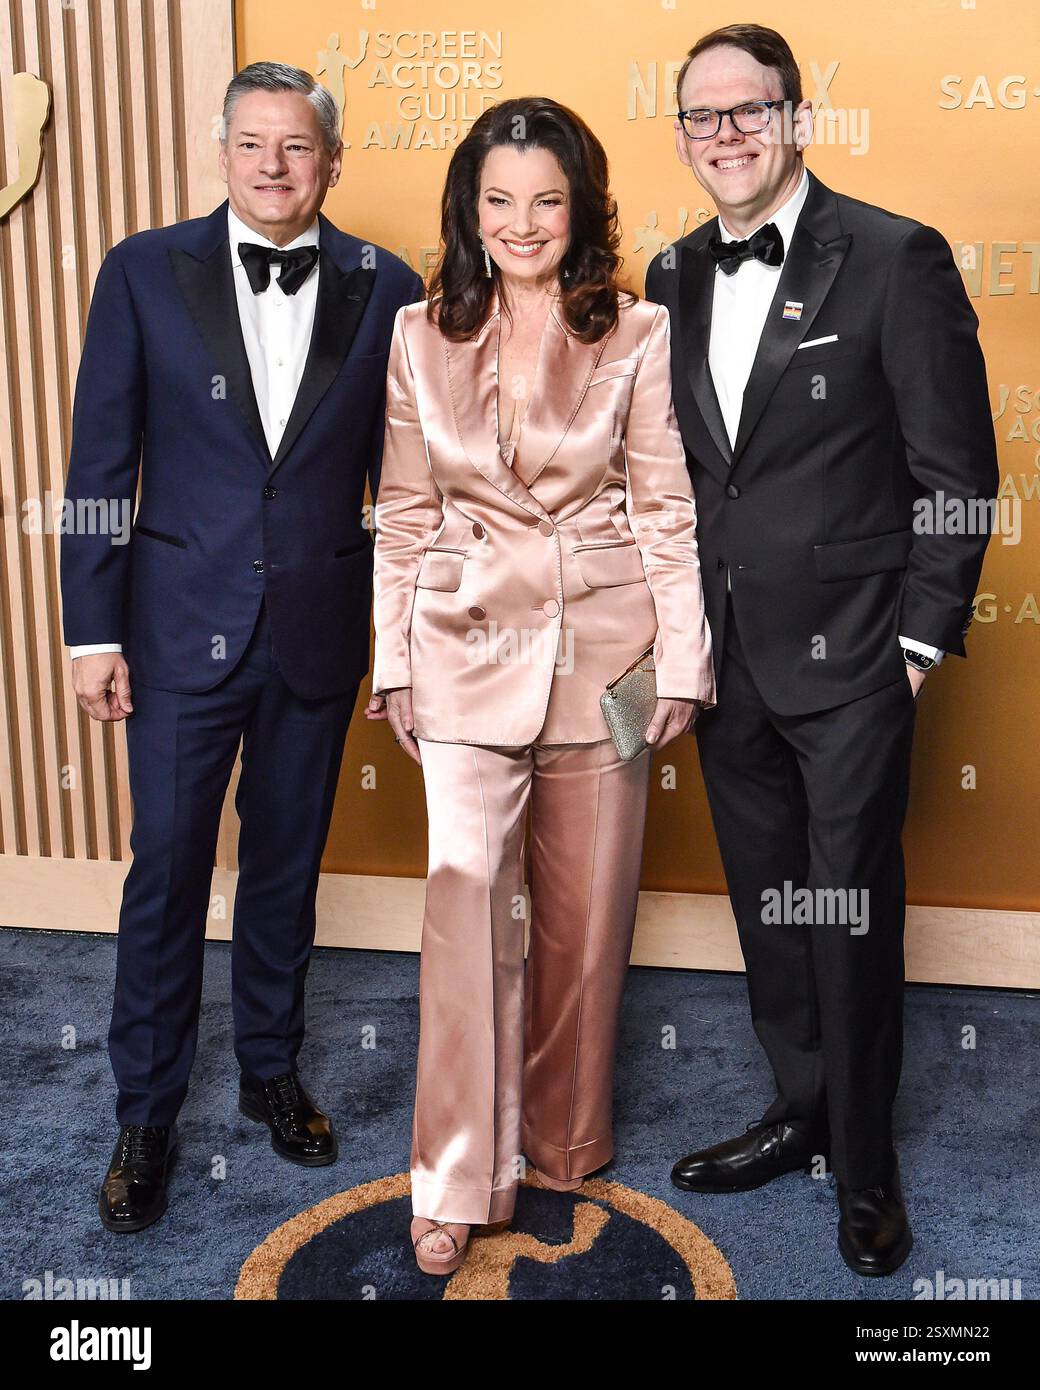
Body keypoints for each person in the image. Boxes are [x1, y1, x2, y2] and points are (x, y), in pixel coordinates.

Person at [644, 24, 997, 1275]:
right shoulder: (670, 272)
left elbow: (956, 475)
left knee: (845, 911)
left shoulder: (895, 257)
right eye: (701, 116)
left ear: (796, 118)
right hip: (723, 654)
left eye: (749, 111)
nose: (725, 134)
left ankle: (864, 1160)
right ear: (680, 132)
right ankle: (797, 1109)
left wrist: (914, 642)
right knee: (768, 904)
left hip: (854, 657)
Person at [61, 60, 423, 1233]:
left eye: (298, 147)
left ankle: (272, 1068)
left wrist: (401, 637)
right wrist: (91, 629)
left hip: (318, 630)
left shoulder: (388, 282)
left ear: (331, 160)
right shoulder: (140, 270)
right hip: (172, 631)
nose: (275, 166)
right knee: (164, 872)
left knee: (284, 870)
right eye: (253, 144)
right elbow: (98, 467)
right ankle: (146, 1113)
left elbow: (409, 485)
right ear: (221, 153)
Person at [368, 96, 715, 1275]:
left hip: (607, 652)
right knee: (467, 913)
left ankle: (564, 1141)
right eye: (500, 200)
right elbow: (406, 512)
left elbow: (666, 504)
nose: (522, 223)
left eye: (547, 199)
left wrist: (682, 657)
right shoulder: (420, 333)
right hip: (461, 648)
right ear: (470, 208)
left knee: (584, 916)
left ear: (581, 207)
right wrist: (392, 659)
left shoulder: (635, 327)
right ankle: (458, 1171)